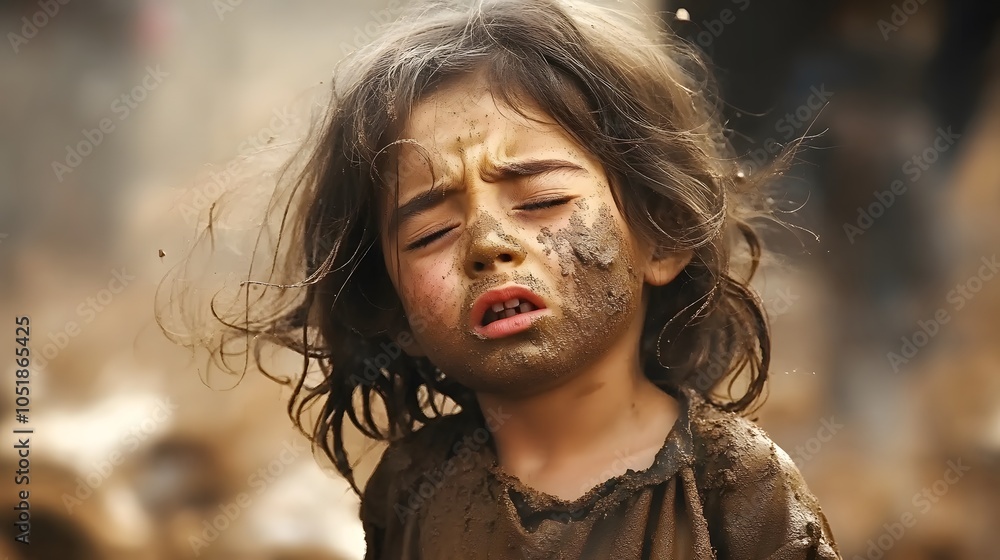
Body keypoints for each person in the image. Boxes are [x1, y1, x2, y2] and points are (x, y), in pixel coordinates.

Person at [160, 0, 843, 557]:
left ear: (659, 235)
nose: (488, 245)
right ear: (396, 313)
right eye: (430, 234)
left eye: (541, 200)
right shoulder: (413, 489)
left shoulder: (734, 487)